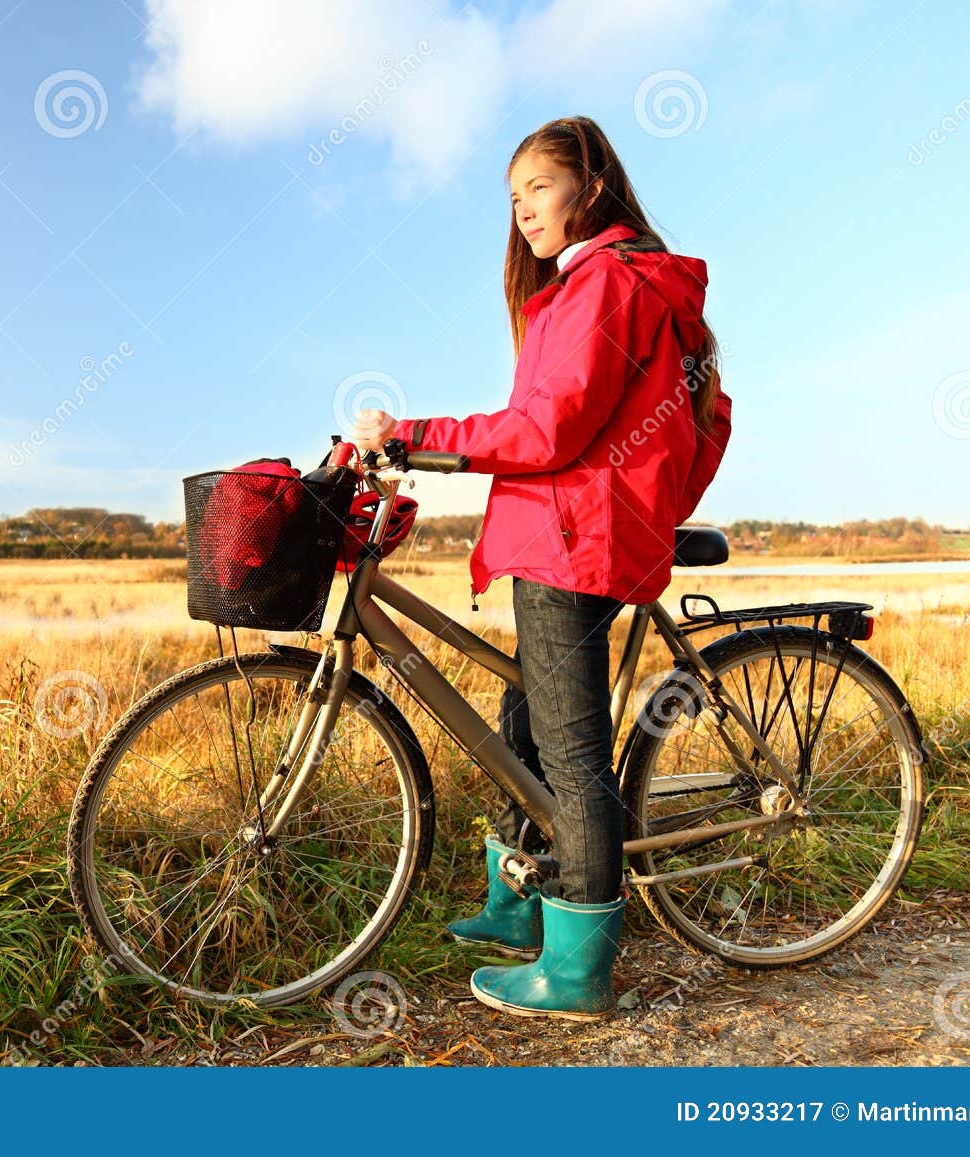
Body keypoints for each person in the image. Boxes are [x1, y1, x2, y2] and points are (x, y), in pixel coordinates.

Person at [349, 115, 733, 1021]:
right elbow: (666, 420)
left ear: (590, 187)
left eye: (539, 187)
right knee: (524, 714)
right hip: (569, 532)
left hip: (575, 540)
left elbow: (548, 430)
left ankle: (578, 972)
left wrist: (417, 435)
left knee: (571, 754)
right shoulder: (600, 285)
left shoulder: (605, 285)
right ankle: (519, 905)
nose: (522, 210)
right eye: (513, 195)